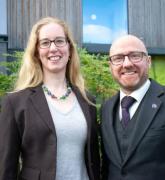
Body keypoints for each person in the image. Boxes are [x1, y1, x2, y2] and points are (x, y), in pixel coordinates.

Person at [0, 17, 100, 180]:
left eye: (59, 41)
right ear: (37, 52)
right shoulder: (16, 103)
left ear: (69, 49)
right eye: (45, 43)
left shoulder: (87, 100)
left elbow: (93, 159)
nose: (53, 48)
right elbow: (6, 167)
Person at [101, 34, 165, 180]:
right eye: (118, 58)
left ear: (148, 61)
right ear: (110, 66)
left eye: (135, 56)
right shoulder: (106, 108)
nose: (127, 64)